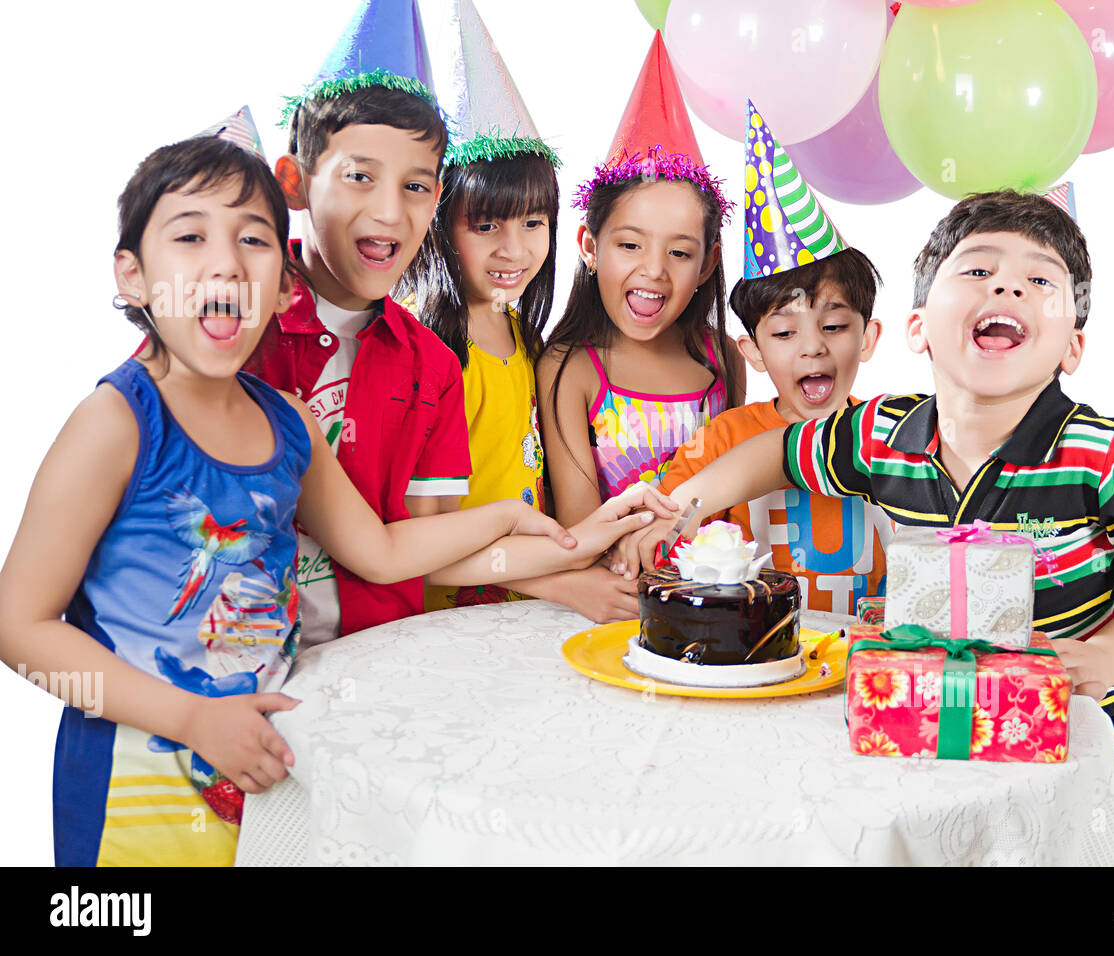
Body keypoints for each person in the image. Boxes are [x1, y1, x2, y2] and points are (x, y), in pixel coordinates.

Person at [0, 120, 675, 867]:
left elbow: (381, 551)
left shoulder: (288, 425)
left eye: (253, 239)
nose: (225, 264)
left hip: (266, 765)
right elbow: (18, 628)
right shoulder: (117, 421)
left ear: (283, 280)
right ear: (131, 275)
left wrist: (518, 516)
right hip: (138, 784)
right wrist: (190, 717)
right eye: (190, 238)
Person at [624, 187, 1114, 861]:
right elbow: (778, 453)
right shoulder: (882, 433)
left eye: (1038, 280)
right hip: (948, 708)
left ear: (1071, 347)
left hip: (1094, 722)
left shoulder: (1097, 453)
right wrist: (685, 507)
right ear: (918, 327)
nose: (1007, 286)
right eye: (977, 270)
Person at [400, 0, 645, 621]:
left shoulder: (522, 336)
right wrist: (561, 582)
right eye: (486, 225)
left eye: (535, 222)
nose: (515, 249)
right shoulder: (434, 352)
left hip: (520, 609)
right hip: (452, 623)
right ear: (439, 224)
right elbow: (426, 552)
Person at [242, 0, 470, 645]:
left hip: (375, 668)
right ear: (295, 182)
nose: (391, 212)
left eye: (416, 186)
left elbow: (425, 545)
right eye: (360, 177)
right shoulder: (228, 333)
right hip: (232, 674)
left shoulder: (434, 367)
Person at [653, 102, 892, 616]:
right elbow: (665, 529)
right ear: (754, 352)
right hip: (755, 655)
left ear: (868, 337)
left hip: (869, 667)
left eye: (833, 326)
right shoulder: (722, 442)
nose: (813, 347)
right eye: (785, 332)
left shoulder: (895, 438)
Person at [537, 31, 745, 532]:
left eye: (679, 252)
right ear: (589, 246)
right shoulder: (570, 367)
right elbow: (579, 528)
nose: (653, 270)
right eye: (630, 245)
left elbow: (736, 498)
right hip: (616, 595)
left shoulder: (724, 359)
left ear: (709, 264)